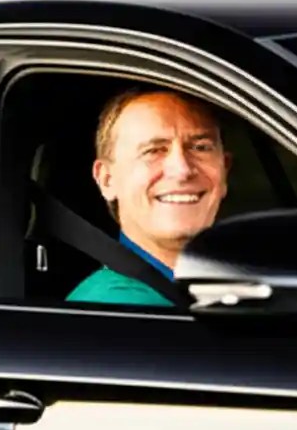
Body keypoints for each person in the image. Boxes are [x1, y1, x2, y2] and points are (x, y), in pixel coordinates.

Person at [66, 87, 233, 306]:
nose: (182, 170)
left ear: (225, 170)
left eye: (200, 147)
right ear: (107, 180)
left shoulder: (236, 286)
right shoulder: (111, 308)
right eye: (154, 150)